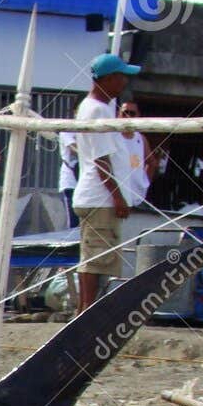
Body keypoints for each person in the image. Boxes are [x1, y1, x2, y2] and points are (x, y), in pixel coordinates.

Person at [72, 53, 140, 313]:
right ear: (109, 78)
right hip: (99, 196)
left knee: (98, 254)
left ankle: (86, 308)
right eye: (122, 77)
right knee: (96, 257)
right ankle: (87, 310)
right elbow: (102, 162)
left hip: (99, 195)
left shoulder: (98, 107)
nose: (124, 82)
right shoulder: (97, 109)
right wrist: (118, 197)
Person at [117, 99, 156, 209]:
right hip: (116, 198)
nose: (128, 116)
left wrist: (144, 185)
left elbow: (152, 163)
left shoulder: (141, 138)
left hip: (137, 198)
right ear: (118, 115)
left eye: (132, 113)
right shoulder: (112, 137)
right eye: (124, 113)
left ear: (138, 115)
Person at [57, 131, 80, 227]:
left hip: (86, 183)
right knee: (73, 221)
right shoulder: (66, 132)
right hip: (71, 182)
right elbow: (74, 149)